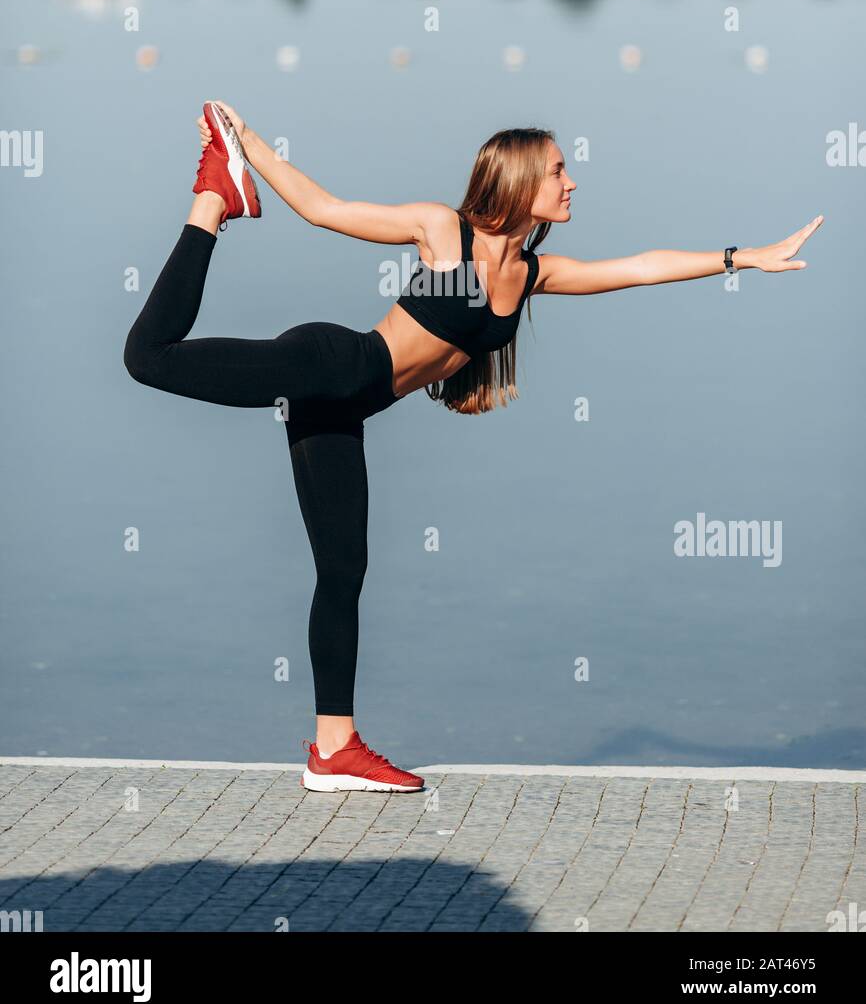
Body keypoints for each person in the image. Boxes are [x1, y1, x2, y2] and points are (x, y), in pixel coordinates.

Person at [123, 100, 824, 792]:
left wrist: (744, 258)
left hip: (343, 408)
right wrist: (245, 141)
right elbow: (324, 209)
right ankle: (213, 199)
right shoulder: (444, 232)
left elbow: (638, 267)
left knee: (343, 571)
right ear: (521, 179)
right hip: (329, 364)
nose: (571, 181)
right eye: (558, 170)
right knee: (148, 357)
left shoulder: (529, 277)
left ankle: (333, 749)